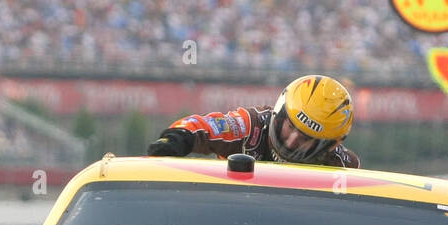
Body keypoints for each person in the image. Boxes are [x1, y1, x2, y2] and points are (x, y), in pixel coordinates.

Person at [147, 74, 360, 167]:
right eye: (290, 127)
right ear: (280, 114)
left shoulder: (342, 166)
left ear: (328, 146)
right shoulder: (252, 126)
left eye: (305, 138)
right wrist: (176, 140)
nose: (292, 140)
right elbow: (204, 127)